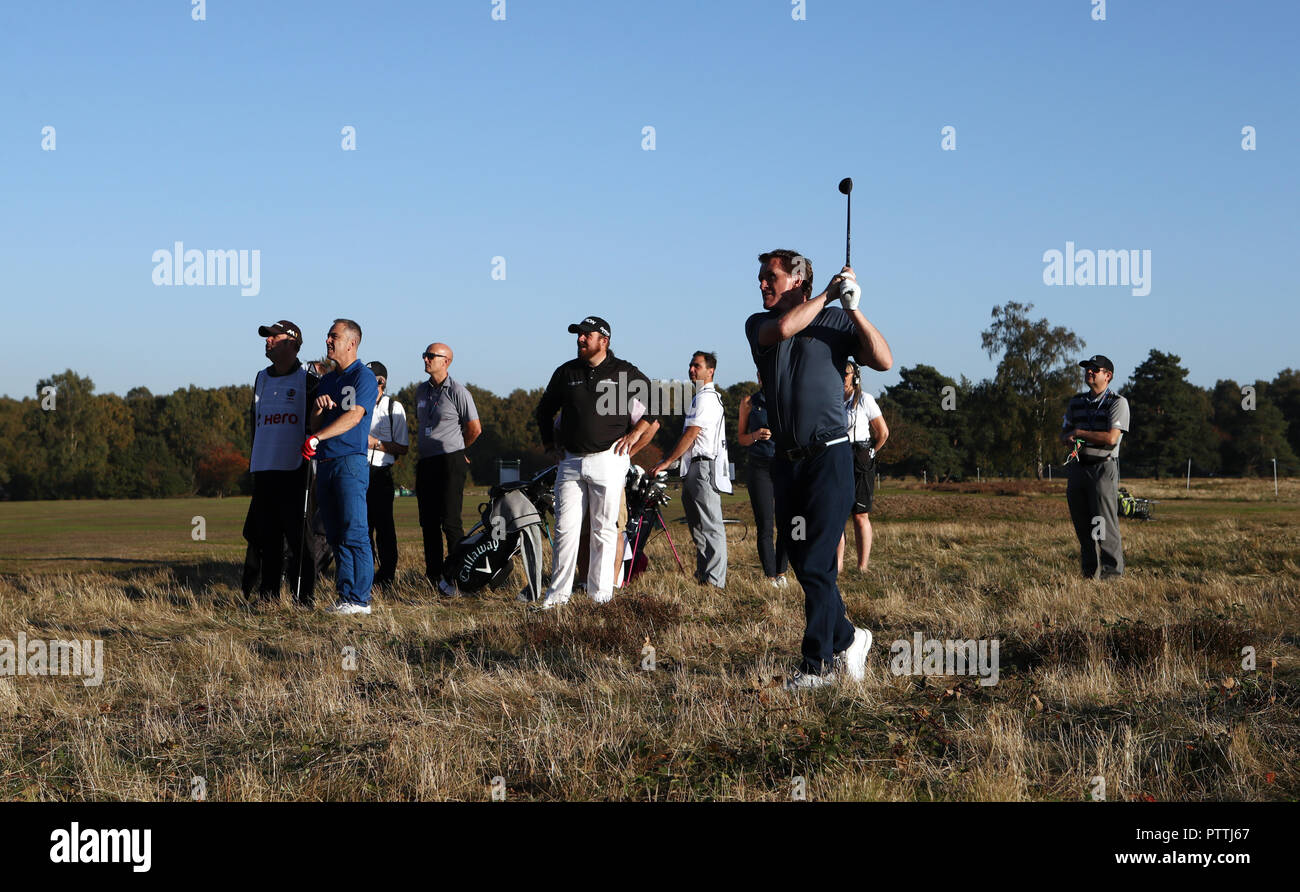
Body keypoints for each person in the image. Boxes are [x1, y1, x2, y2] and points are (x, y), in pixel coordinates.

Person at [744, 249, 893, 690]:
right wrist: (830, 292)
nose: (762, 284)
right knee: (805, 560)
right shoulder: (758, 324)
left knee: (816, 563)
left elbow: (883, 360)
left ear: (798, 281)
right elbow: (787, 327)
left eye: (770, 277)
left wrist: (853, 309)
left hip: (830, 457)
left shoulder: (837, 323)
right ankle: (849, 637)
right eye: (761, 277)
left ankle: (817, 666)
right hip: (786, 464)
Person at [533, 316, 657, 610]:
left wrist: (636, 433)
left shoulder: (624, 371)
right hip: (571, 462)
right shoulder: (566, 372)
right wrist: (550, 444)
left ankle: (600, 597)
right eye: (578, 335)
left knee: (604, 530)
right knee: (565, 529)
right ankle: (556, 597)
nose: (580, 339)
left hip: (609, 459)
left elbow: (656, 403)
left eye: (586, 335)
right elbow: (544, 410)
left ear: (604, 340)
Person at [303, 319, 380, 615]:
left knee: (355, 530)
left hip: (350, 461)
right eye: (327, 336)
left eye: (333, 336)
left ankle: (360, 599)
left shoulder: (364, 376)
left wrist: (318, 436)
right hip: (326, 462)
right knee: (334, 534)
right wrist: (318, 410)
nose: (327, 340)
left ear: (352, 342)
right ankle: (346, 595)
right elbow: (313, 424)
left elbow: (355, 416)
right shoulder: (327, 380)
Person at [241, 320, 319, 607]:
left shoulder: (308, 380)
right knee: (267, 536)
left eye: (274, 337)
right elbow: (255, 422)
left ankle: (304, 597)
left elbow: (317, 425)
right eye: (267, 337)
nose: (268, 341)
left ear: (292, 343)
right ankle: (268, 595)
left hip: (294, 471)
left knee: (299, 538)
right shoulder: (261, 377)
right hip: (264, 468)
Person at [649, 351, 730, 588]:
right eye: (690, 366)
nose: (691, 370)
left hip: (704, 466)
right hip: (694, 467)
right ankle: (705, 576)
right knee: (697, 526)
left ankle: (715, 581)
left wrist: (666, 461)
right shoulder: (700, 397)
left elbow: (691, 434)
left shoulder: (706, 399)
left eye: (697, 366)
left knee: (710, 525)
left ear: (710, 371)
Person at [414, 342, 481, 589]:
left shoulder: (458, 392)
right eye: (425, 355)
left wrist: (460, 449)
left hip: (450, 461)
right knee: (428, 522)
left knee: (450, 521)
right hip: (426, 462)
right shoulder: (421, 391)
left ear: (447, 361)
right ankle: (434, 577)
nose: (426, 359)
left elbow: (475, 428)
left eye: (431, 356)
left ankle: (457, 575)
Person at [1060, 354, 1131, 579]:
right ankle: (1090, 574)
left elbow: (1111, 438)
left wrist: (1080, 433)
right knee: (1083, 525)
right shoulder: (1076, 402)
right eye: (1087, 369)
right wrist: (1068, 438)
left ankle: (1111, 576)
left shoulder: (1117, 402)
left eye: (1095, 369)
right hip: (1078, 468)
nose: (1089, 372)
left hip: (1103, 468)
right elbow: (1064, 433)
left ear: (1107, 376)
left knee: (1103, 524)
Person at [737, 370, 788, 586]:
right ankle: (770, 576)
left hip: (784, 464)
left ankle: (782, 571)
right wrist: (756, 436)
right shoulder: (749, 402)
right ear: (758, 376)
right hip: (759, 467)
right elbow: (741, 438)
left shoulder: (787, 398)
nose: (764, 377)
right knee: (765, 524)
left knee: (787, 521)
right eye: (761, 373)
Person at [837, 360, 889, 573]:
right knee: (837, 514)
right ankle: (837, 565)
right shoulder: (833, 399)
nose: (842, 377)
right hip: (839, 454)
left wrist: (871, 453)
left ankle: (862, 566)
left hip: (860, 455)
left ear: (855, 377)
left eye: (846, 373)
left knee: (860, 514)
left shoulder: (865, 399)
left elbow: (883, 432)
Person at [364, 361, 408, 588]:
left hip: (381, 473)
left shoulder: (394, 408)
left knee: (384, 527)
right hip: (359, 471)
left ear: (382, 381)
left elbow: (402, 447)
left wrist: (376, 444)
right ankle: (366, 573)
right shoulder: (358, 404)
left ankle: (387, 575)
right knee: (363, 527)